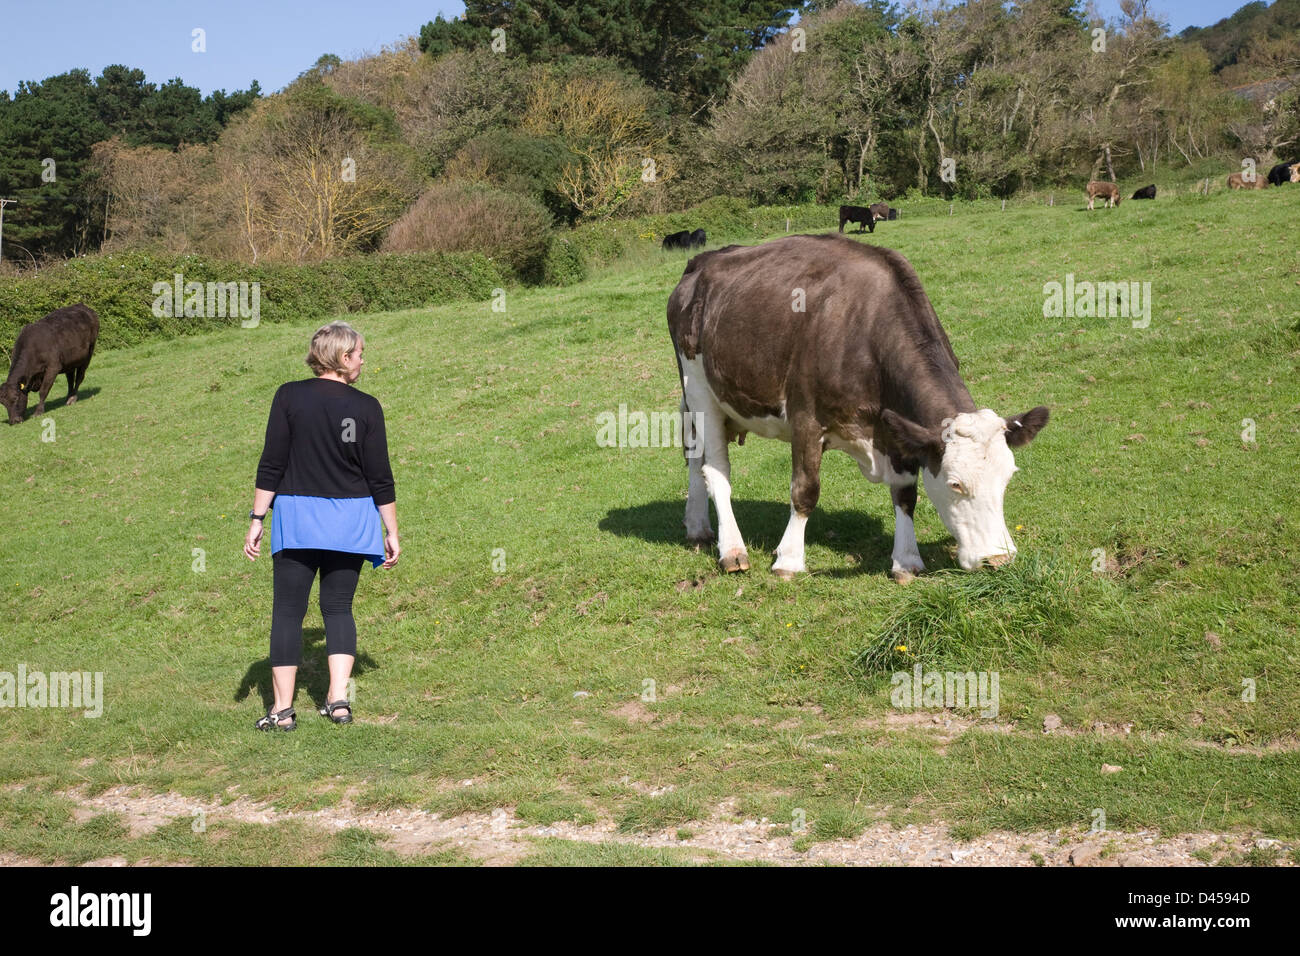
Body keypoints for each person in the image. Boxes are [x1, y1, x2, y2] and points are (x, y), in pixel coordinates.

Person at [244, 321, 399, 730]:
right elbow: (380, 476)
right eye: (360, 354)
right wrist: (391, 530)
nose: (364, 360)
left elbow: (272, 462)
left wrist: (257, 518)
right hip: (351, 522)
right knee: (338, 608)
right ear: (344, 358)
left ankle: (281, 711)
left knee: (288, 612)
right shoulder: (367, 406)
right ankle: (339, 700)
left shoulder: (289, 396)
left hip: (296, 520)